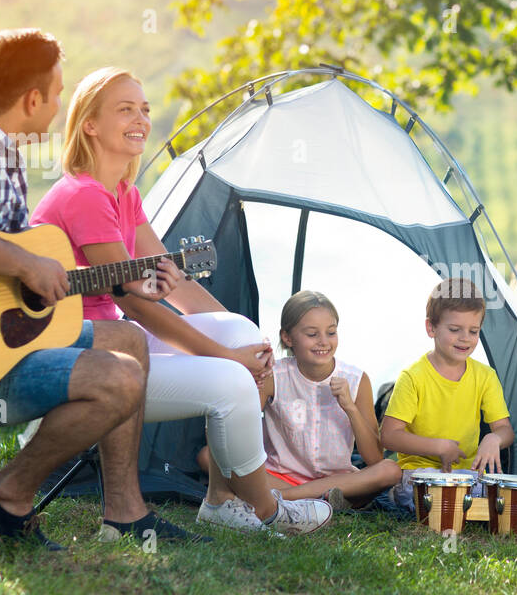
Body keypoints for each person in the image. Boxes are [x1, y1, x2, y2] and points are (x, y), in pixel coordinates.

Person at [0, 29, 200, 550]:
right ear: (32, 100)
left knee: (130, 342)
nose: (59, 106)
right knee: (118, 380)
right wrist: (29, 265)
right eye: (55, 94)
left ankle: (124, 512)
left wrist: (36, 274)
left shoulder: (1, 154)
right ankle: (9, 492)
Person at [30, 67, 332, 535]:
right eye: (125, 109)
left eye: (145, 110)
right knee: (230, 380)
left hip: (116, 340)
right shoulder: (84, 196)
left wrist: (244, 342)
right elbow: (135, 304)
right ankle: (271, 512)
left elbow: (175, 286)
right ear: (90, 124)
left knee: (240, 332)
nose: (141, 120)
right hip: (83, 355)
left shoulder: (122, 194)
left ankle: (219, 501)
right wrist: (229, 359)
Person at [257, 290, 401, 510]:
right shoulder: (273, 376)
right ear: (287, 337)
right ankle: (317, 500)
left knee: (390, 470)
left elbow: (374, 458)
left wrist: (350, 408)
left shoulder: (357, 380)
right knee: (210, 457)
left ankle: (282, 499)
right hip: (280, 476)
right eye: (312, 334)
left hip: (338, 481)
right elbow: (242, 434)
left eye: (331, 332)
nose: (323, 342)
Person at [380, 277, 515, 511]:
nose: (465, 338)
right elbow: (389, 436)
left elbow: (505, 430)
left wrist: (494, 438)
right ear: (431, 327)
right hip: (420, 473)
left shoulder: (485, 376)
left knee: (498, 495)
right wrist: (439, 447)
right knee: (440, 494)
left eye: (473, 331)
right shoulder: (413, 377)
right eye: (455, 330)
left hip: (467, 475)